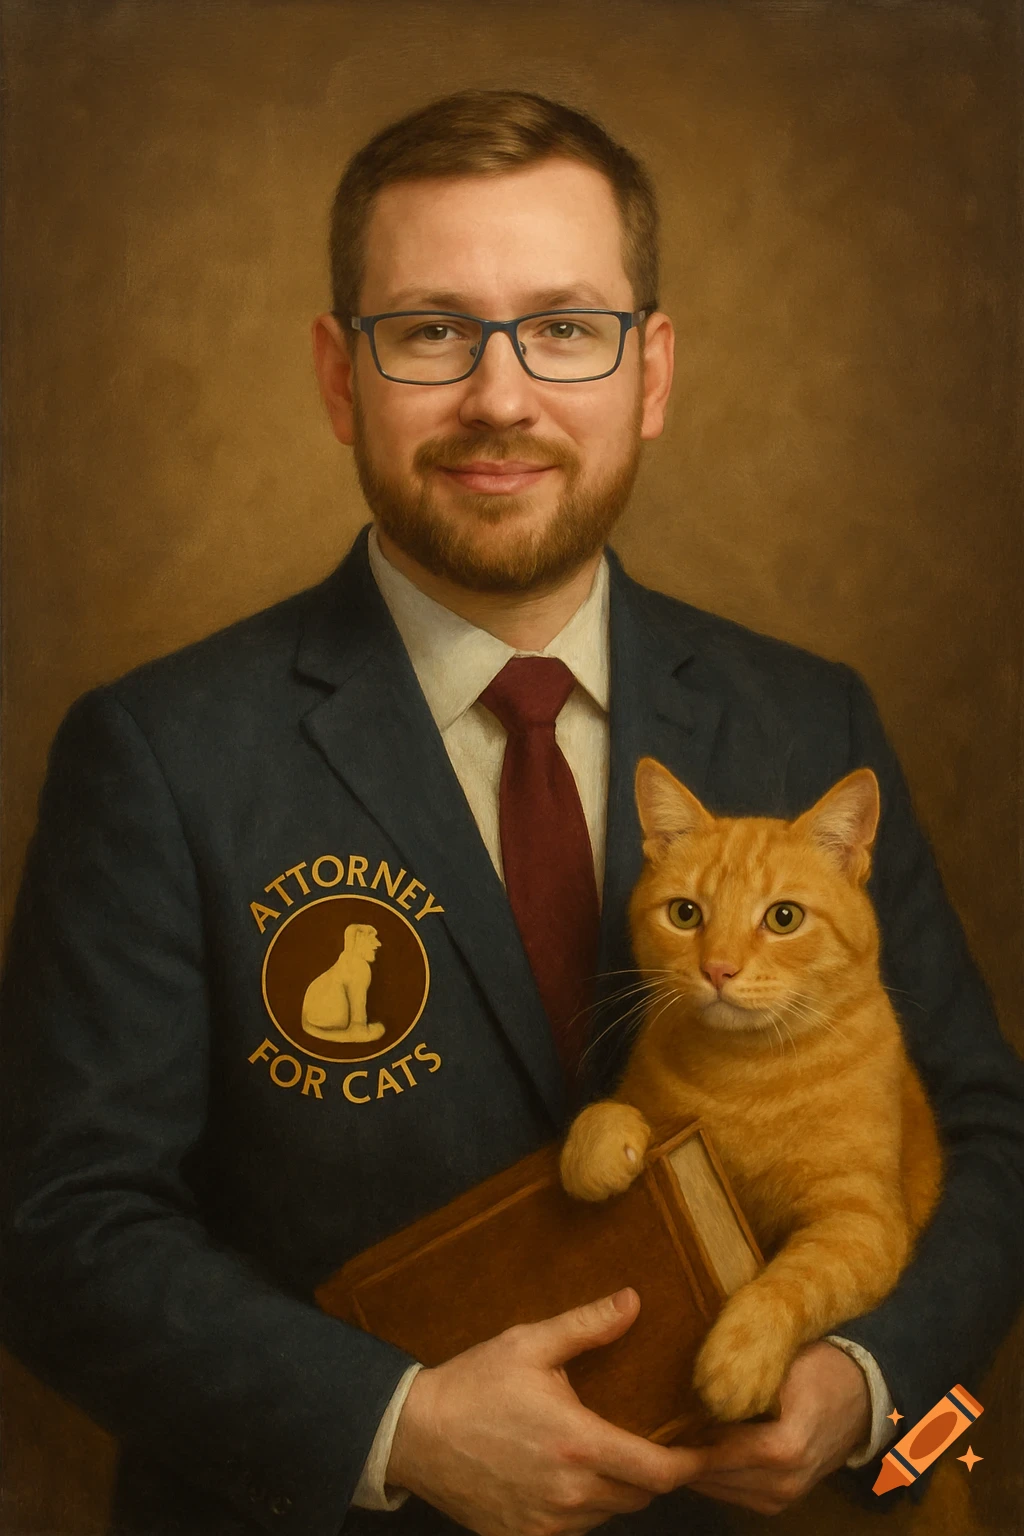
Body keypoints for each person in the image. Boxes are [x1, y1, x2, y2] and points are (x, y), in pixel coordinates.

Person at [2, 89, 1023, 1536]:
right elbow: (56, 1232)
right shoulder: (158, 754)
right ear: (339, 376)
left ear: (650, 372)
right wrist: (396, 1428)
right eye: (431, 330)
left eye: (565, 326)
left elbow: (986, 1134)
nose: (501, 396)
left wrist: (877, 1397)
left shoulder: (813, 719)